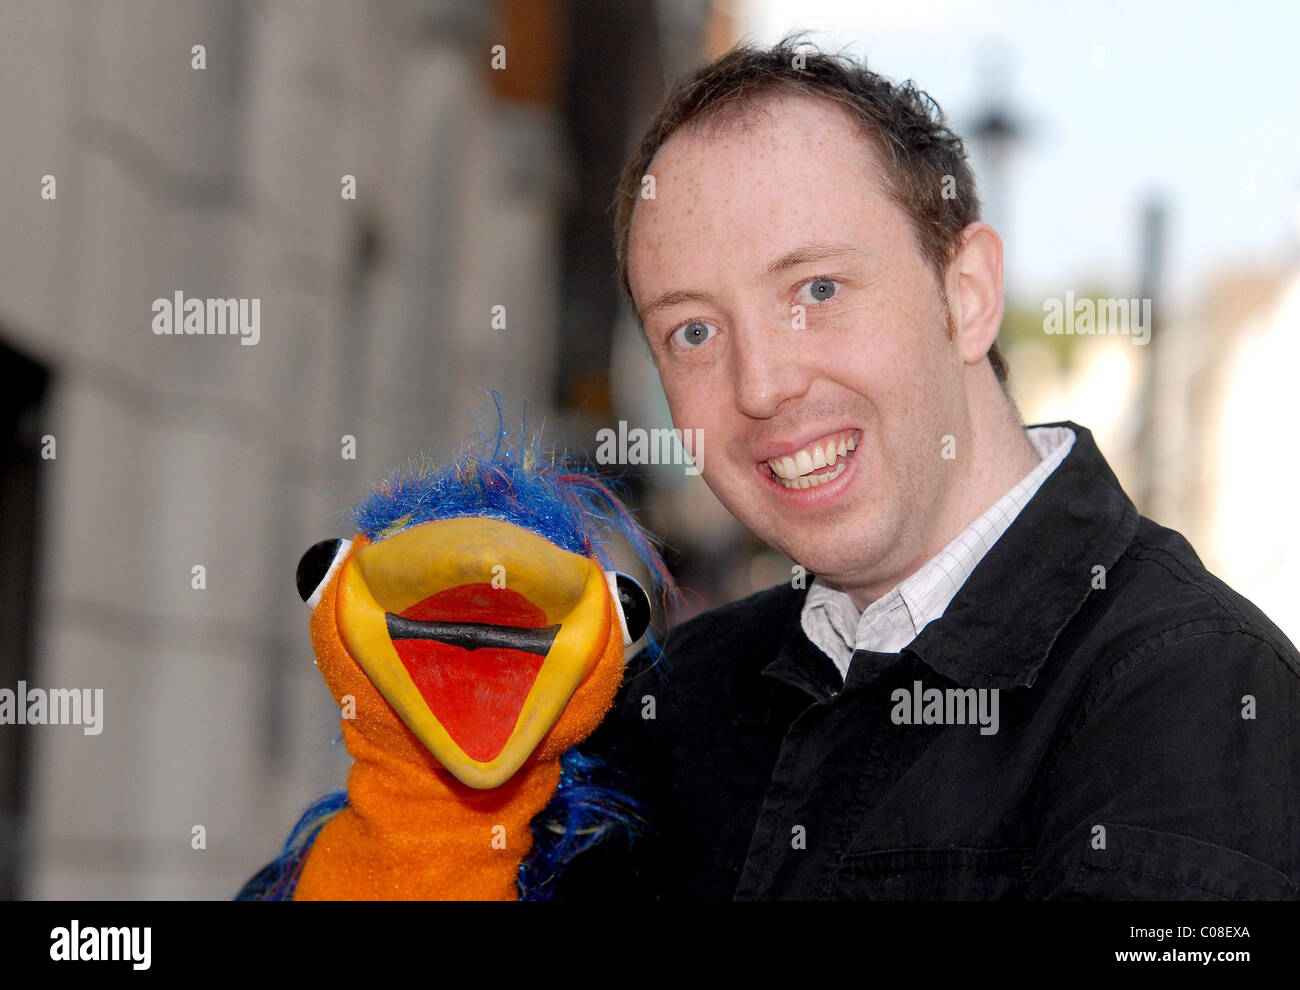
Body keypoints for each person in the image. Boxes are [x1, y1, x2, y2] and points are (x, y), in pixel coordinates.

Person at [557, 39, 1300, 900]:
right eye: (693, 332)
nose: (760, 385)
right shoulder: (676, 697)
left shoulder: (1192, 696)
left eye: (818, 290)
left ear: (968, 294)